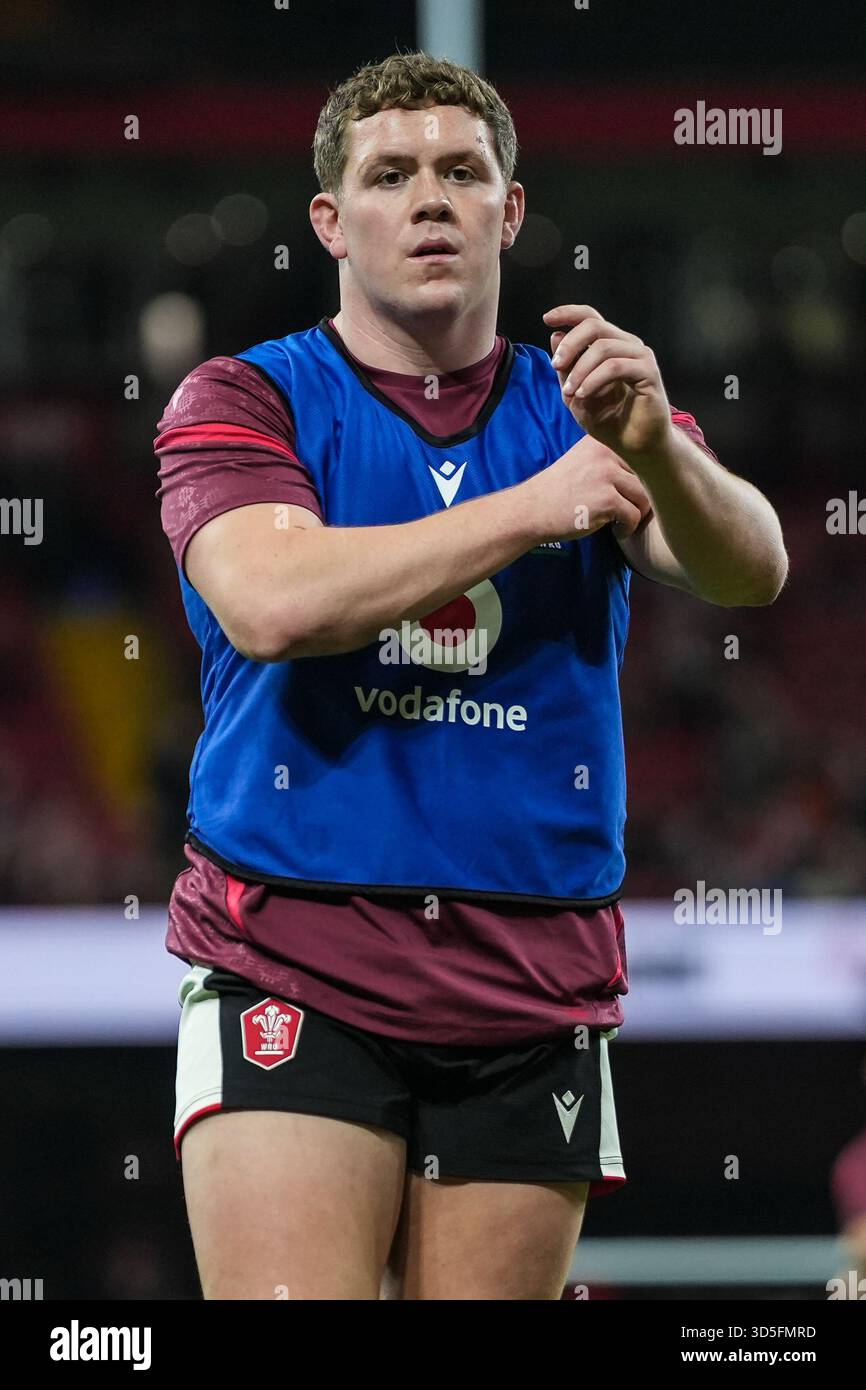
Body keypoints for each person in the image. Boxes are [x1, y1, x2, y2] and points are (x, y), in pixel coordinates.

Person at [154, 50, 788, 1300]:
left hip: (530, 976)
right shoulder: (244, 398)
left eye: (461, 171)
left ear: (509, 209)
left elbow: (745, 568)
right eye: (389, 175)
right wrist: (535, 506)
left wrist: (656, 446)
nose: (430, 199)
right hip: (294, 954)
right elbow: (276, 602)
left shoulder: (587, 409)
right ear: (332, 222)